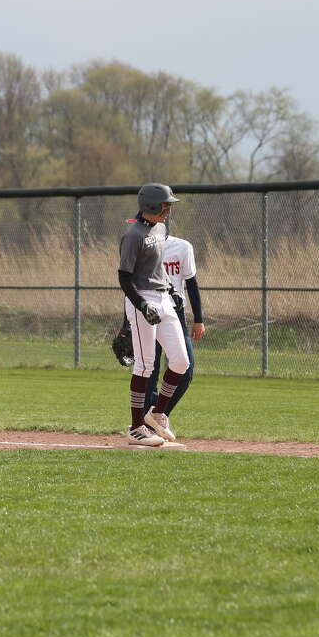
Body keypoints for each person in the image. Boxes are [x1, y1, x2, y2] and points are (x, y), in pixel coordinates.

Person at [118, 183, 191, 447]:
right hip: (142, 299)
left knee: (181, 361)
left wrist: (170, 289)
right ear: (150, 204)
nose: (168, 210)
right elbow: (124, 277)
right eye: (165, 205)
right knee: (145, 365)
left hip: (162, 298)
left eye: (170, 205)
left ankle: (157, 413)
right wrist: (140, 304)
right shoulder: (133, 235)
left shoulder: (160, 228)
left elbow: (157, 266)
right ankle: (136, 427)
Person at [142, 234, 206, 418]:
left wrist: (198, 319)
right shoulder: (139, 246)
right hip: (148, 312)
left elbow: (192, 283)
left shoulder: (182, 246)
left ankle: (159, 414)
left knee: (185, 369)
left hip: (175, 312)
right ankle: (147, 424)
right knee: (149, 372)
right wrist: (126, 326)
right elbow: (130, 286)